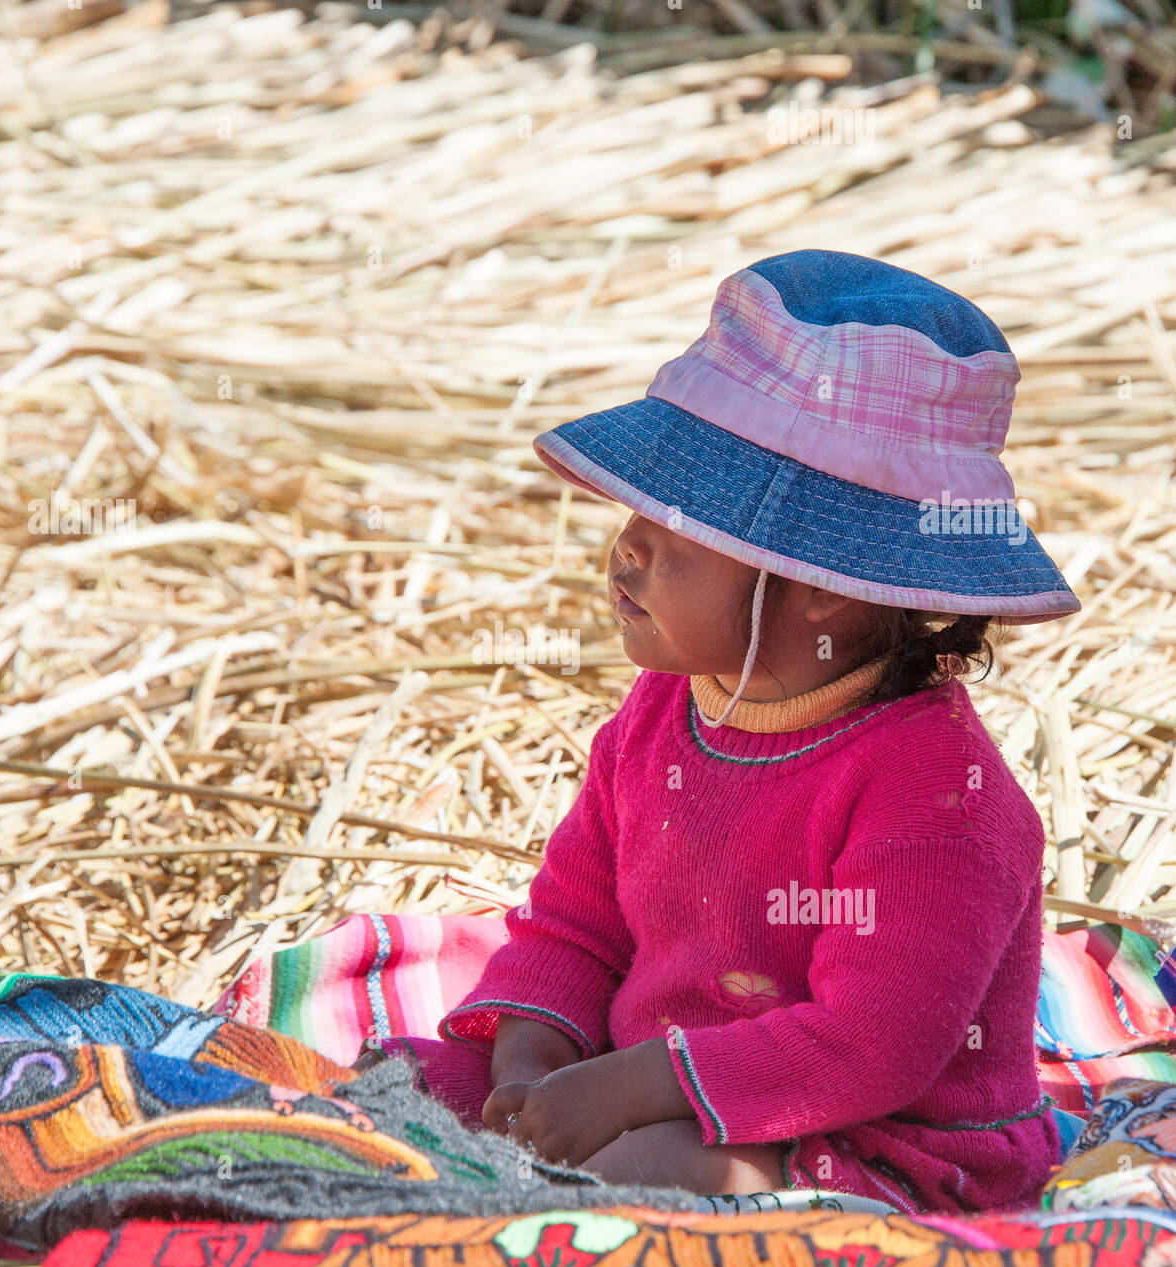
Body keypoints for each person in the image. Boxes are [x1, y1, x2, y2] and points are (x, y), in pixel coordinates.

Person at [370, 249, 1081, 1214]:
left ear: (823, 582)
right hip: (655, 1086)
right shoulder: (662, 717)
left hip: (878, 1139)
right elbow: (578, 930)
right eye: (637, 507)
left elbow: (873, 1046)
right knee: (395, 1093)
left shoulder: (942, 802)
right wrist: (528, 1074)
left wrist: (625, 1091)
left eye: (681, 524)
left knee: (640, 1176)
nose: (627, 545)